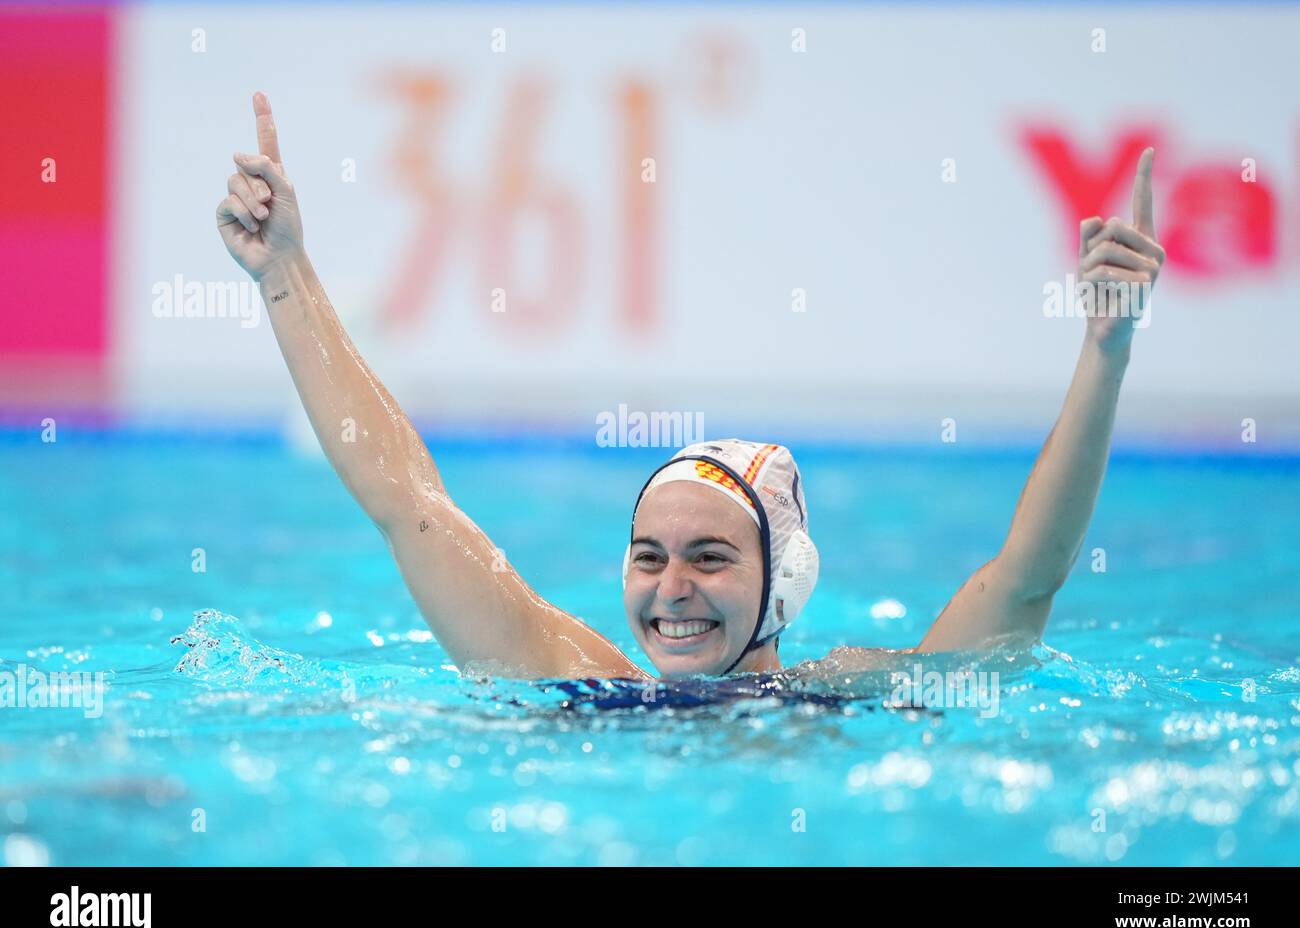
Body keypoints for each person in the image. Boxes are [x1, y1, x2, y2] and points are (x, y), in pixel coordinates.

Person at [216, 92, 1166, 683]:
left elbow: (1028, 577)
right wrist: (283, 273)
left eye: (709, 557)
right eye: (648, 556)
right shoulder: (579, 682)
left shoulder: (856, 704)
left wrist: (1106, 350)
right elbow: (404, 499)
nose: (672, 591)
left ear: (785, 579)